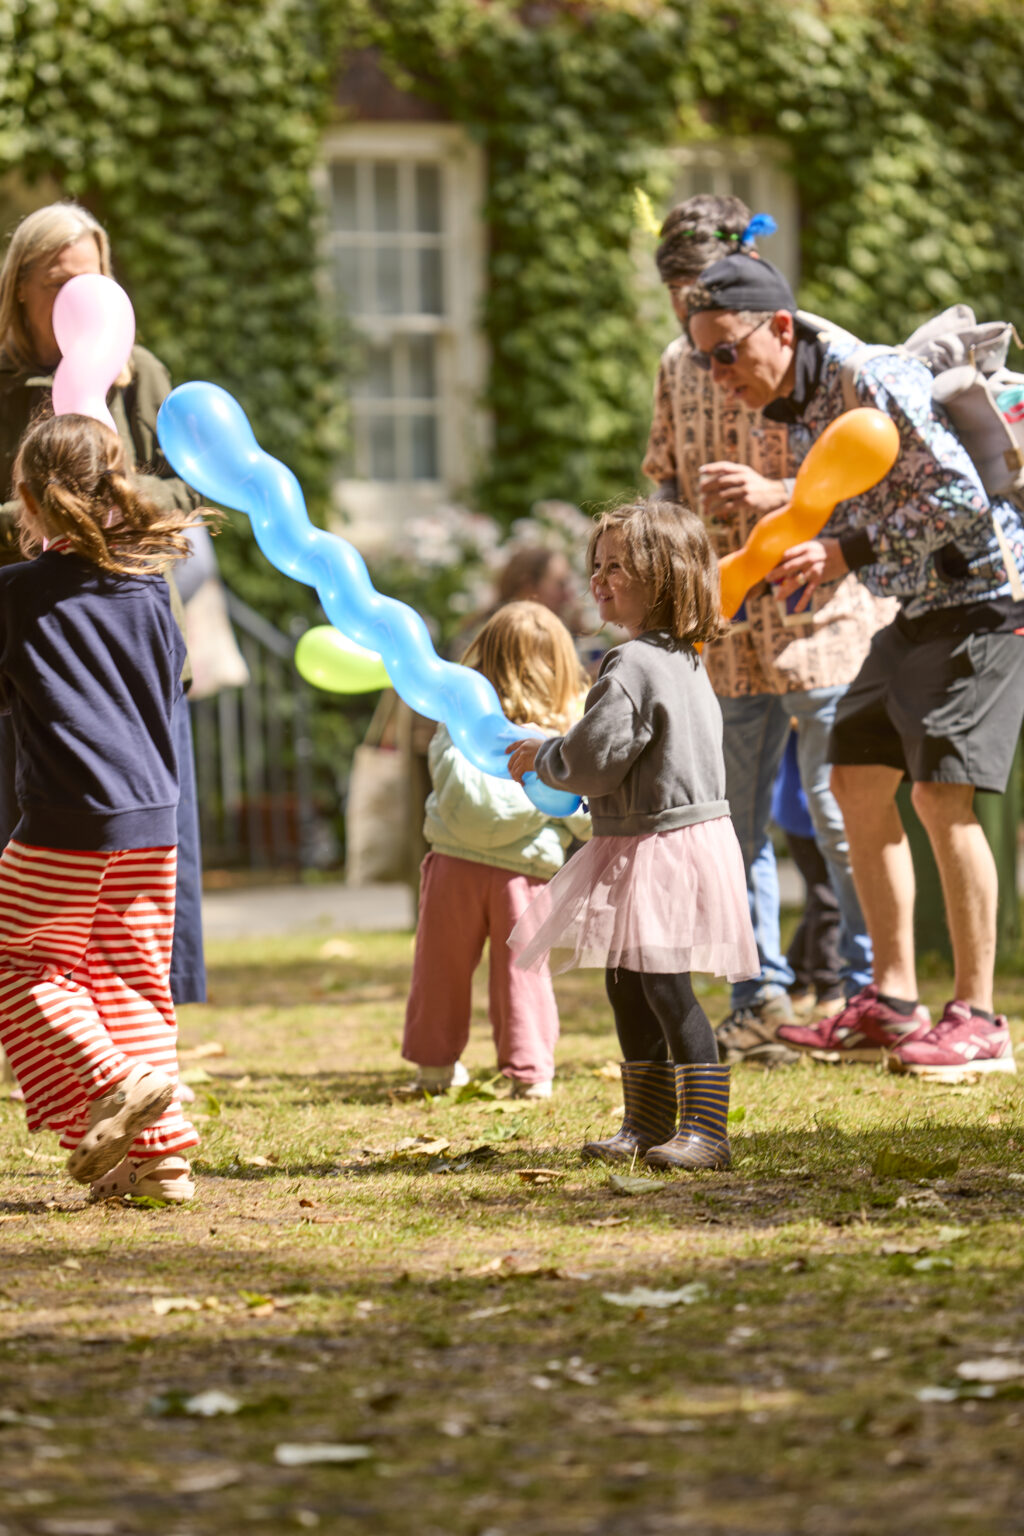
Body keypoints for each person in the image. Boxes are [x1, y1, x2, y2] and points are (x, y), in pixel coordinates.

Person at [686, 250, 1024, 1080]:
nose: (717, 374)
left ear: (780, 327)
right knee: (855, 778)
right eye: (703, 359)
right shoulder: (800, 410)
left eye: (726, 352)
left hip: (985, 601)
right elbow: (853, 498)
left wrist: (847, 550)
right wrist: (814, 548)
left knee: (943, 796)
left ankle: (980, 1019)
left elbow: (960, 499)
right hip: (917, 608)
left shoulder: (866, 378)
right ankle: (893, 1001)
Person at [644, 194, 893, 1066]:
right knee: (731, 824)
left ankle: (867, 992)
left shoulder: (827, 358)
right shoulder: (680, 365)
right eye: (679, 291)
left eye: (699, 286)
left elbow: (880, 479)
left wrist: (773, 498)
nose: (689, 306)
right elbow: (662, 477)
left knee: (841, 813)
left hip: (822, 619)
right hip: (726, 629)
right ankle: (760, 998)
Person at [507, 500, 758, 1171]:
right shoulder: (679, 658)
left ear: (666, 576)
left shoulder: (631, 664)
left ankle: (707, 1132)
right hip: (661, 840)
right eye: (598, 564)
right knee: (628, 981)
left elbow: (593, 759)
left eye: (619, 565)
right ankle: (646, 1122)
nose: (601, 577)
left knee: (664, 986)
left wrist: (545, 757)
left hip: (656, 845)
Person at [0, 201, 207, 1014]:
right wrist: (35, 510)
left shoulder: (142, 373)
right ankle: (45, 1004)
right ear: (19, 293)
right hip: (36, 635)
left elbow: (183, 486)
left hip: (135, 630)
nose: (77, 296)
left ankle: (151, 1010)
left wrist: (113, 501)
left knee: (152, 828)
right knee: (35, 831)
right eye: (57, 283)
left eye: (90, 277)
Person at [0, 412, 206, 1202]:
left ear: (27, 498)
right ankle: (161, 1168)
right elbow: (172, 683)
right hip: (153, 815)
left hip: (65, 818)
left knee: (21, 962)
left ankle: (118, 1077)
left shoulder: (17, 593)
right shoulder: (150, 588)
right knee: (131, 982)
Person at [402, 601, 592, 1098]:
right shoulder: (563, 738)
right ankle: (530, 1073)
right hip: (525, 872)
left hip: (453, 866)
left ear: (482, 658)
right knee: (522, 974)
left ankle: (434, 1069)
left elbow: (450, 791)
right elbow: (585, 817)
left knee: (439, 968)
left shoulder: (458, 723)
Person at [771, 727, 842, 1017]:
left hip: (818, 810)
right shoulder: (803, 696)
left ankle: (797, 982)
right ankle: (829, 992)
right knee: (829, 899)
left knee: (822, 898)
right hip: (804, 813)